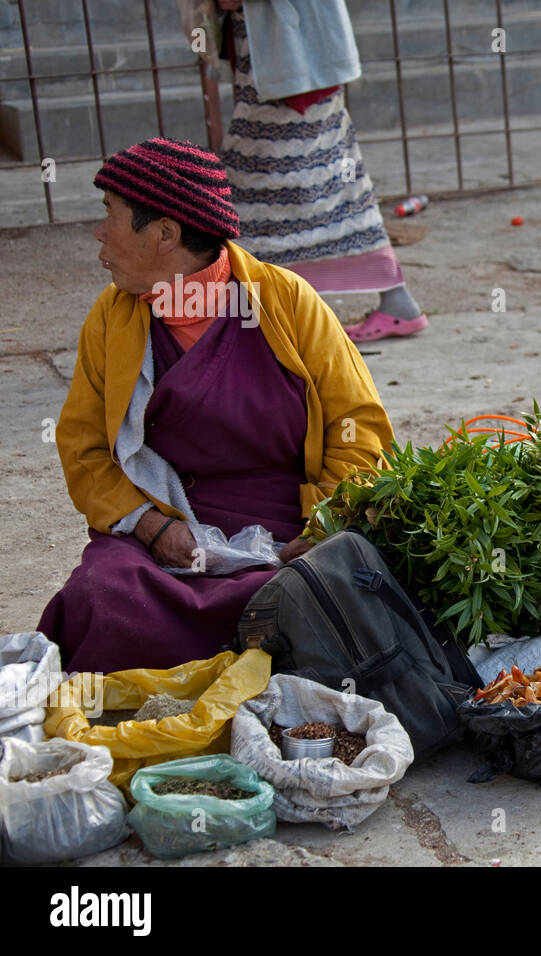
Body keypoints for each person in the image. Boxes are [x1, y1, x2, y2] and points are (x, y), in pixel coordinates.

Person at [38, 137, 394, 673]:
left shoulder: (286, 300)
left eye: (109, 214)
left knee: (319, 594)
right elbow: (84, 448)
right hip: (165, 527)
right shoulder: (112, 319)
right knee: (100, 595)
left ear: (164, 233)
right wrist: (150, 527)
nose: (99, 233)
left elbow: (357, 426)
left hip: (286, 530)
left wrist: (320, 529)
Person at [214, 0, 428, 343]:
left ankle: (253, 312)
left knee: (261, 183)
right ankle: (388, 300)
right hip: (280, 57)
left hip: (295, 62)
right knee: (327, 176)